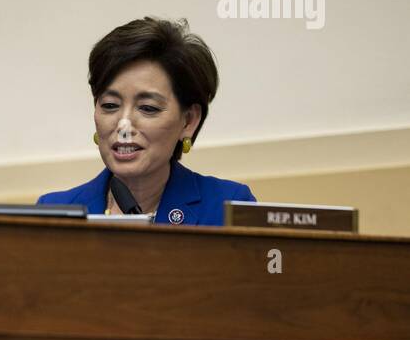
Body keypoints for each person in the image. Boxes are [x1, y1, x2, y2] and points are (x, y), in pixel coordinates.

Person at [37, 17, 255, 224]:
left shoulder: (227, 208)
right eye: (110, 105)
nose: (124, 125)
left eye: (148, 108)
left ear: (188, 121)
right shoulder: (54, 211)